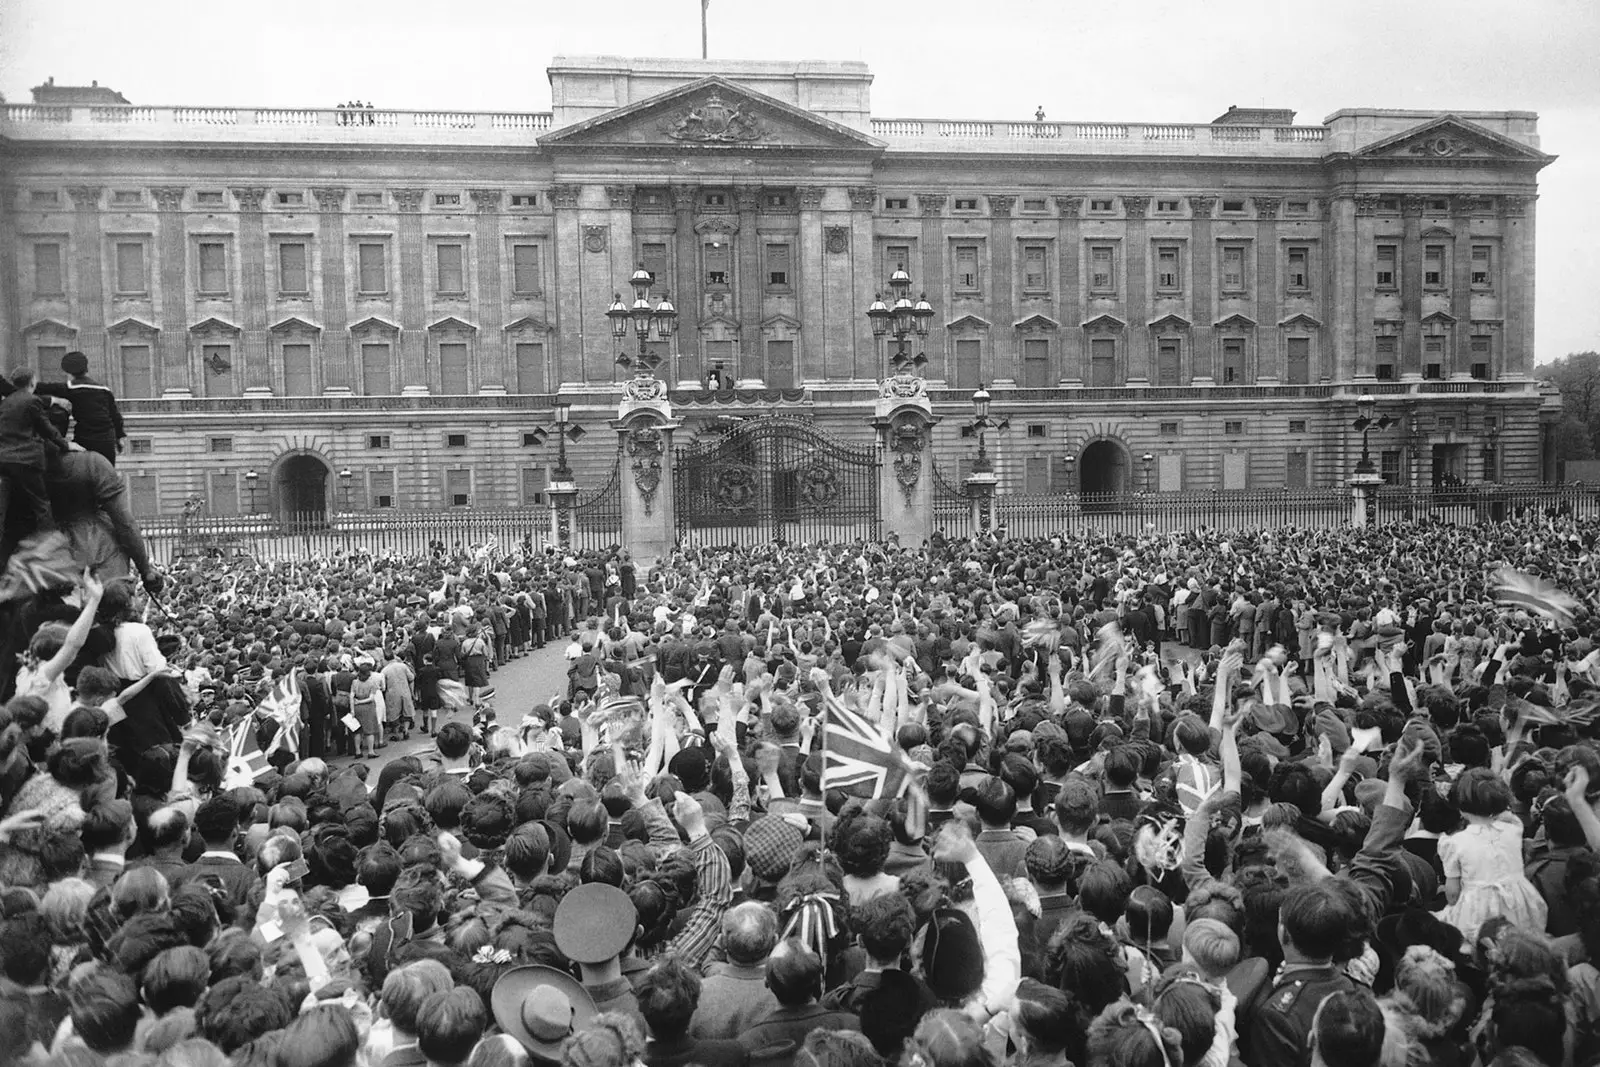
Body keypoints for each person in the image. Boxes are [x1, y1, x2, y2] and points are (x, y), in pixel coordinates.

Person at [0, 366, 72, 542]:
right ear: (33, 382)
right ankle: (50, 548)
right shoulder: (32, 401)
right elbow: (47, 430)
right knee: (42, 506)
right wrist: (66, 445)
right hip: (26, 460)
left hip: (4, 460)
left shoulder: (5, 403)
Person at [37, 350, 126, 465]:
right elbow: (115, 416)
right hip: (107, 440)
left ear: (67, 370)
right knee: (107, 475)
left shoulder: (69, 388)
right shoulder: (104, 390)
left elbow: (38, 388)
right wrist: (120, 437)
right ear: (86, 368)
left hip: (85, 438)